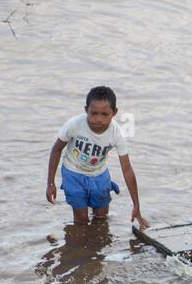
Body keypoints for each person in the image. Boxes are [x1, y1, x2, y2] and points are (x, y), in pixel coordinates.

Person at [46, 85, 147, 227]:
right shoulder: (74, 125)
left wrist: (136, 205)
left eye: (105, 114)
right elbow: (56, 150)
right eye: (93, 113)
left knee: (101, 217)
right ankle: (81, 246)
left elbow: (127, 169)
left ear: (114, 112)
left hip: (99, 174)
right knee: (81, 220)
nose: (98, 119)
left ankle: (98, 244)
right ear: (86, 110)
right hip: (73, 172)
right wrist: (50, 183)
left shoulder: (116, 133)